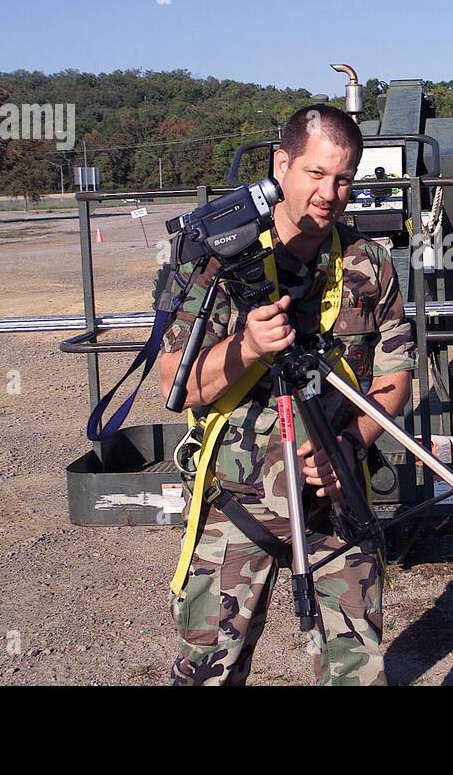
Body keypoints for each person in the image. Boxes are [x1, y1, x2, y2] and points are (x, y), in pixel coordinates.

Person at [159, 103, 414, 686]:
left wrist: (350, 444)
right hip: (234, 506)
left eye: (343, 179)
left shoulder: (370, 264)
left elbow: (395, 377)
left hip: (336, 502)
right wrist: (248, 346)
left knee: (357, 674)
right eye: (315, 173)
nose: (329, 194)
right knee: (206, 673)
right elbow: (178, 383)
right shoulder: (218, 258)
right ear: (281, 165)